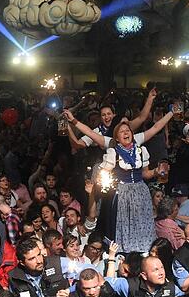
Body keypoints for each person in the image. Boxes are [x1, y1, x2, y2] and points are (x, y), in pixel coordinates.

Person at [65, 108, 173, 253]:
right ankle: (124, 254)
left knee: (141, 224)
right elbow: (90, 133)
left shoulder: (140, 150)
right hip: (123, 194)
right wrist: (73, 121)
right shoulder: (112, 150)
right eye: (122, 131)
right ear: (116, 137)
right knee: (125, 225)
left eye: (127, 130)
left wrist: (156, 171)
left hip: (140, 193)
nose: (126, 133)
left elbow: (145, 173)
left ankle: (145, 252)